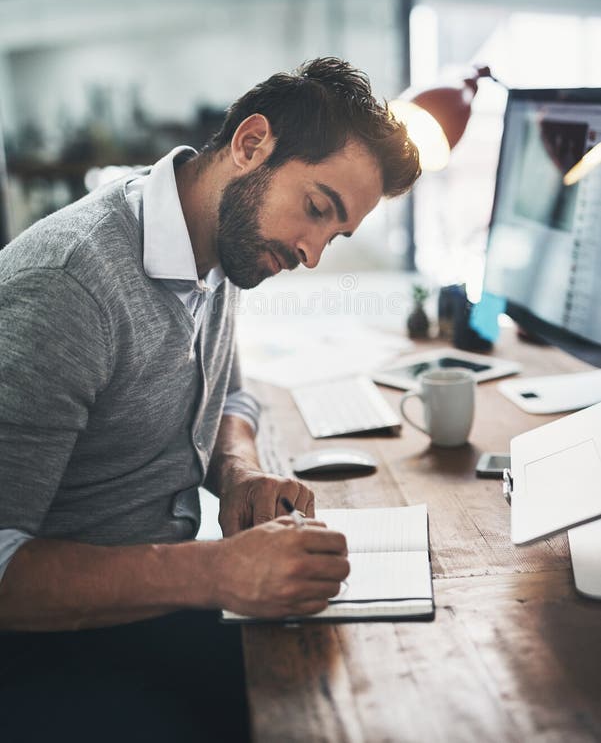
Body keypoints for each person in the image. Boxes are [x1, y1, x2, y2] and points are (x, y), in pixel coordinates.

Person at [0, 57, 420, 742]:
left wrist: (240, 474)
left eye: (335, 234)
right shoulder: (67, 288)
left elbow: (229, 394)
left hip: (147, 612)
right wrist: (216, 572)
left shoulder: (219, 242)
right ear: (251, 144)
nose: (312, 253)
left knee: (369, 678)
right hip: (45, 652)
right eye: (317, 209)